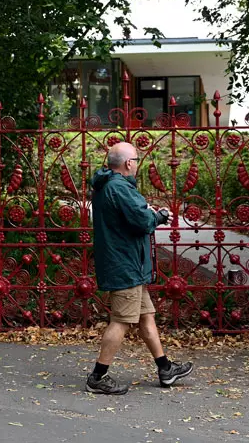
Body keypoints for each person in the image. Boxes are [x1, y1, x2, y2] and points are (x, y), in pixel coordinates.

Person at [85, 142, 193, 395]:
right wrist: (158, 216)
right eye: (136, 159)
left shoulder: (107, 185)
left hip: (125, 262)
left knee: (146, 316)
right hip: (125, 264)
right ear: (128, 163)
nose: (136, 163)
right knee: (121, 321)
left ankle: (165, 368)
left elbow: (132, 216)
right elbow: (143, 221)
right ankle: (98, 377)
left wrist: (146, 213)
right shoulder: (119, 187)